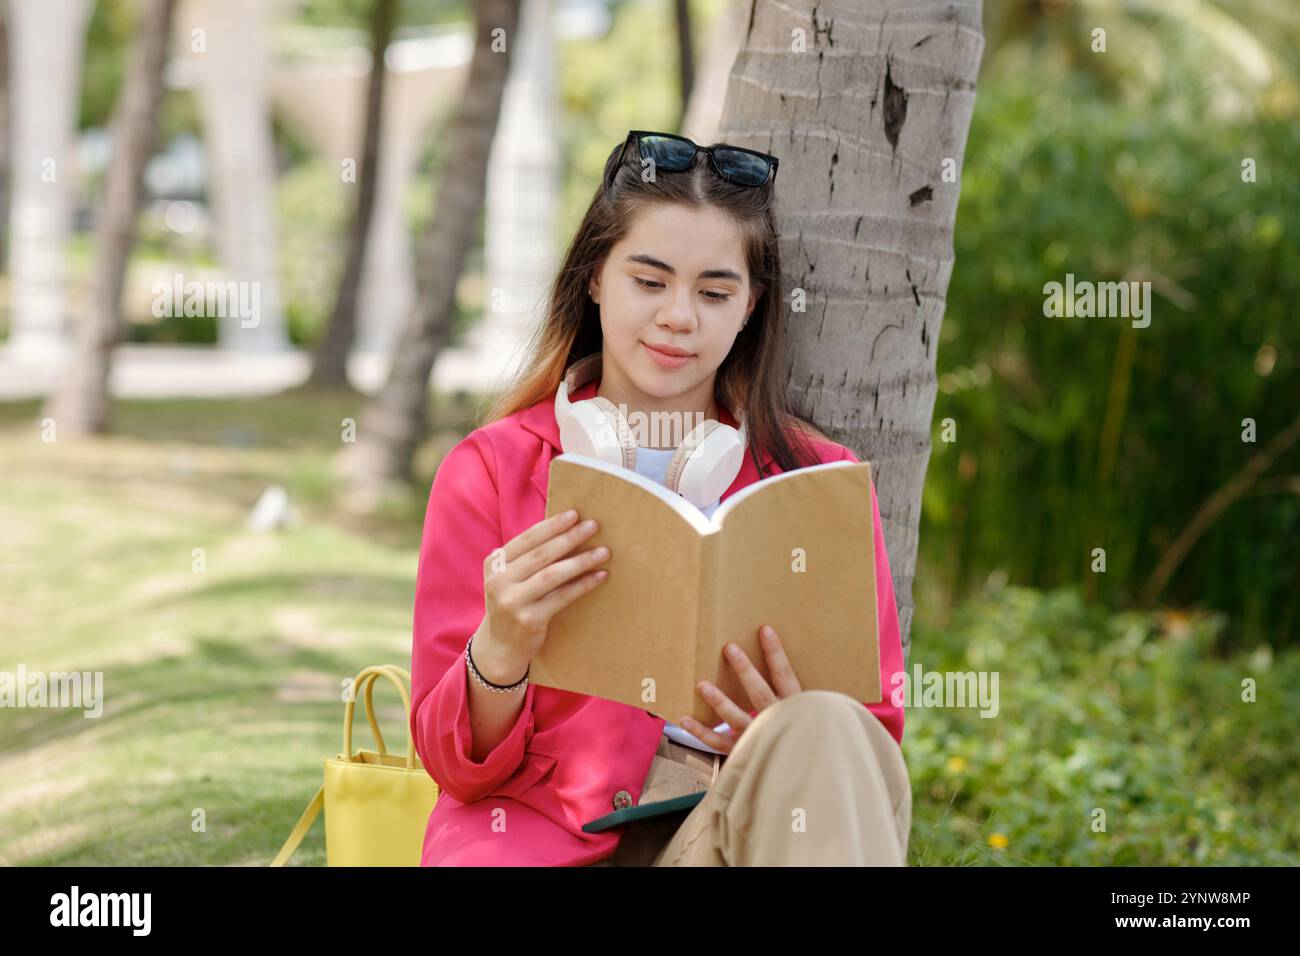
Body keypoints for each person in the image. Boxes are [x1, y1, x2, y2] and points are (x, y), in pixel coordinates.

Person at [409, 131, 910, 866]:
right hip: (538, 845)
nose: (680, 317)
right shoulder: (489, 469)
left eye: (714, 292)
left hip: (736, 835)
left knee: (826, 729)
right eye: (649, 281)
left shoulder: (815, 481)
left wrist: (782, 735)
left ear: (750, 308)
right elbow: (454, 766)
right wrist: (503, 647)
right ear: (594, 280)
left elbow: (870, 737)